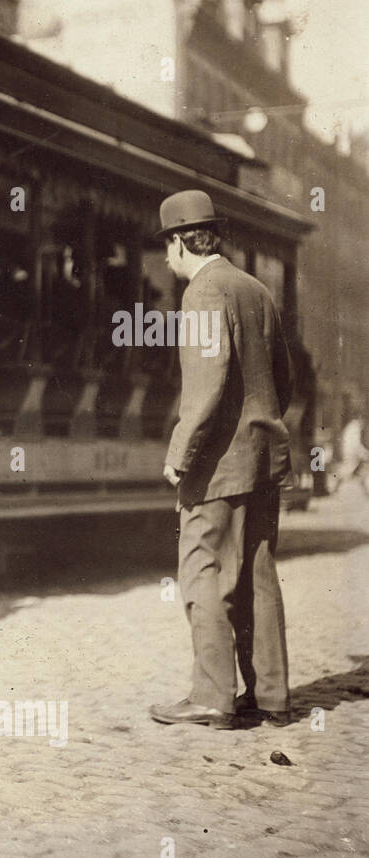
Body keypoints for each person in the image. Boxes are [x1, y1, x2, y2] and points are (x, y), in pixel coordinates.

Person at [149, 190, 294, 730]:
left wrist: (181, 451)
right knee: (258, 573)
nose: (166, 258)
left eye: (167, 244)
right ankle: (273, 696)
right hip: (263, 459)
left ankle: (212, 696)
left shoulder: (204, 293)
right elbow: (284, 381)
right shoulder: (256, 290)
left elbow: (207, 385)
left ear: (183, 241)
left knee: (202, 572)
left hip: (218, 464)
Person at [338, 413, 369, 494]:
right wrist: (364, 453)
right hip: (351, 454)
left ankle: (366, 490)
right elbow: (355, 444)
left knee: (362, 472)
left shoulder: (352, 427)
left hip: (350, 452)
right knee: (347, 471)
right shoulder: (355, 428)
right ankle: (335, 486)